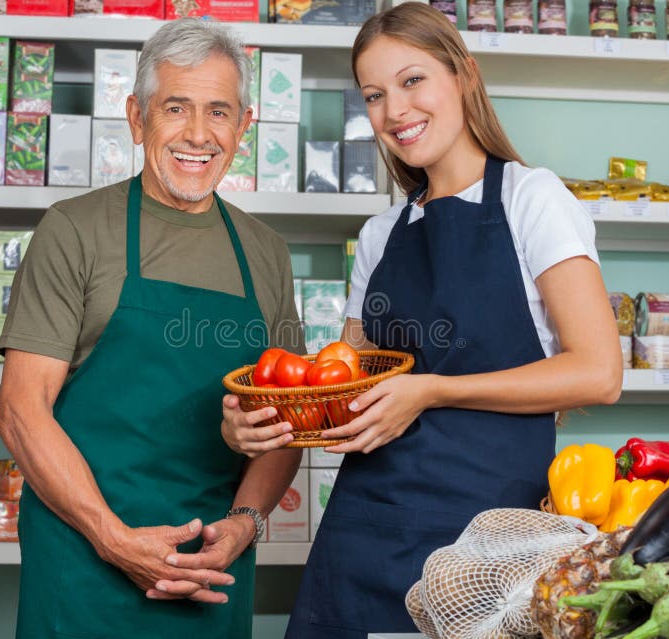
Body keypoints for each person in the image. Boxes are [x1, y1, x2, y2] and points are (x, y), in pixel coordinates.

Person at [221, 3, 622, 637]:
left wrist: (433, 391)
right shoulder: (382, 234)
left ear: (463, 74)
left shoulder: (532, 198)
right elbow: (343, 385)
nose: (395, 111)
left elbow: (598, 373)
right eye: (375, 95)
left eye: (413, 81)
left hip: (490, 551)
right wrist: (266, 418)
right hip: (366, 535)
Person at [0, 18, 304, 639]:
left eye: (219, 112)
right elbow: (20, 413)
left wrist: (243, 525)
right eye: (175, 108)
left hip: (211, 575)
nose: (197, 134)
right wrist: (114, 540)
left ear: (244, 127)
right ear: (137, 119)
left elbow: (288, 425)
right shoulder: (75, 231)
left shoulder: (265, 253)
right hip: (83, 570)